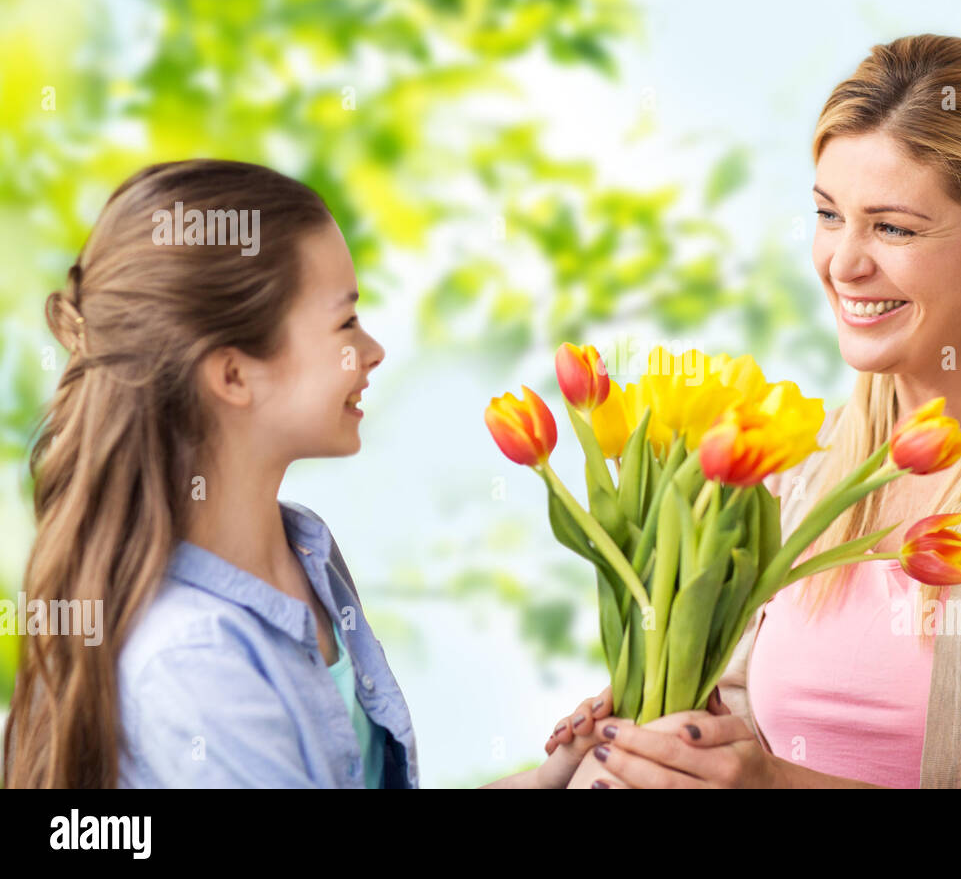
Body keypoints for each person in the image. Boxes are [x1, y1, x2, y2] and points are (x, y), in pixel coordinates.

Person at [552, 34, 961, 789]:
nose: (844, 263)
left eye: (893, 227)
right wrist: (668, 731)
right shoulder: (799, 460)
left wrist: (772, 786)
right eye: (829, 215)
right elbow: (743, 727)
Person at [1, 159, 604, 788]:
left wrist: (550, 781)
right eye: (345, 323)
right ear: (233, 376)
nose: (373, 352)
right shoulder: (196, 662)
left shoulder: (304, 552)